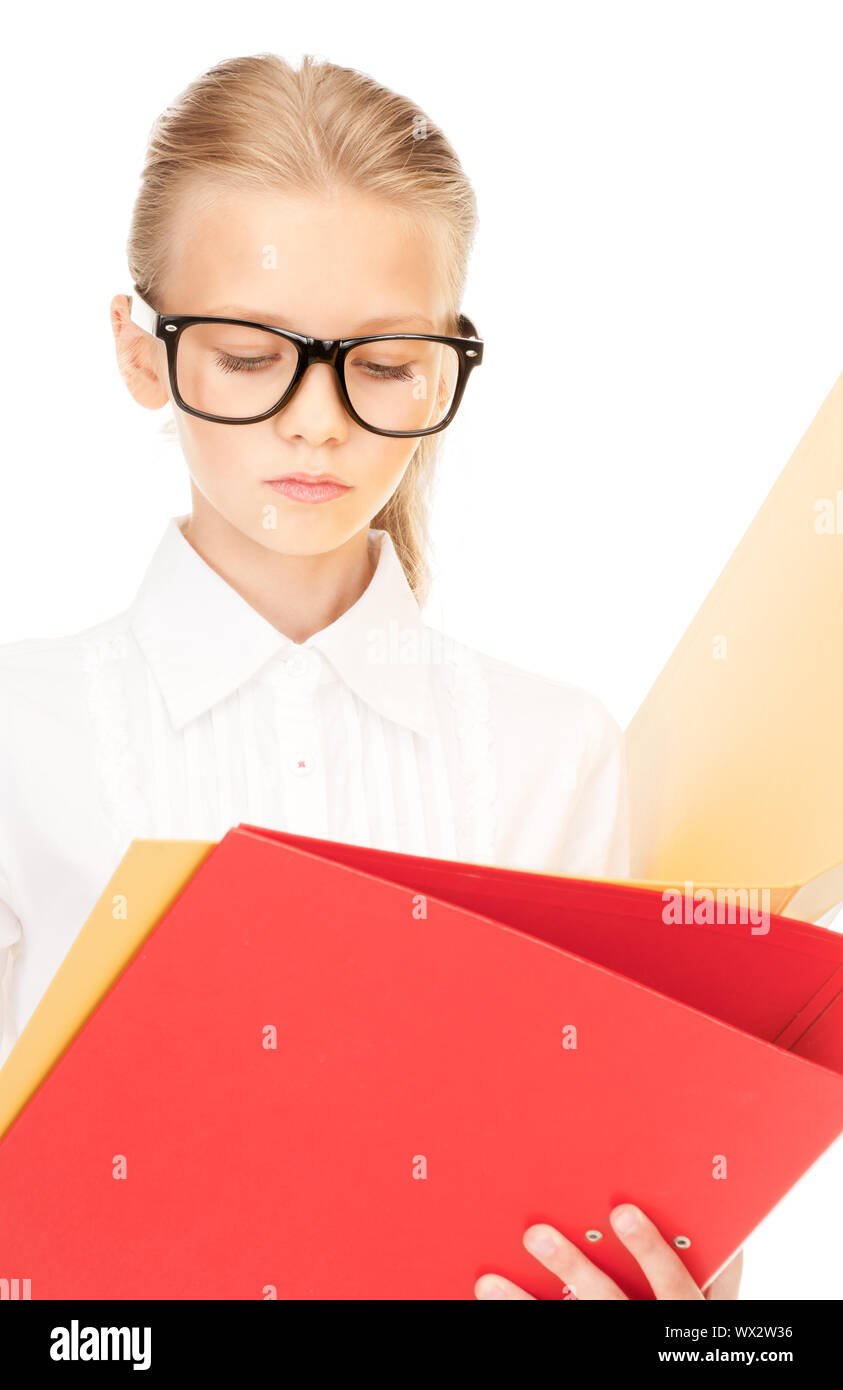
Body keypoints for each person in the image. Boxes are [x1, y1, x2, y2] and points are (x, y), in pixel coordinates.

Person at [0, 51, 740, 1300]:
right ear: (140, 353)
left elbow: (637, 1198)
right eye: (246, 356)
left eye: (385, 365)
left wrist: (686, 1317)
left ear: (447, 365)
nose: (318, 421)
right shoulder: (23, 732)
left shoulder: (555, 750)